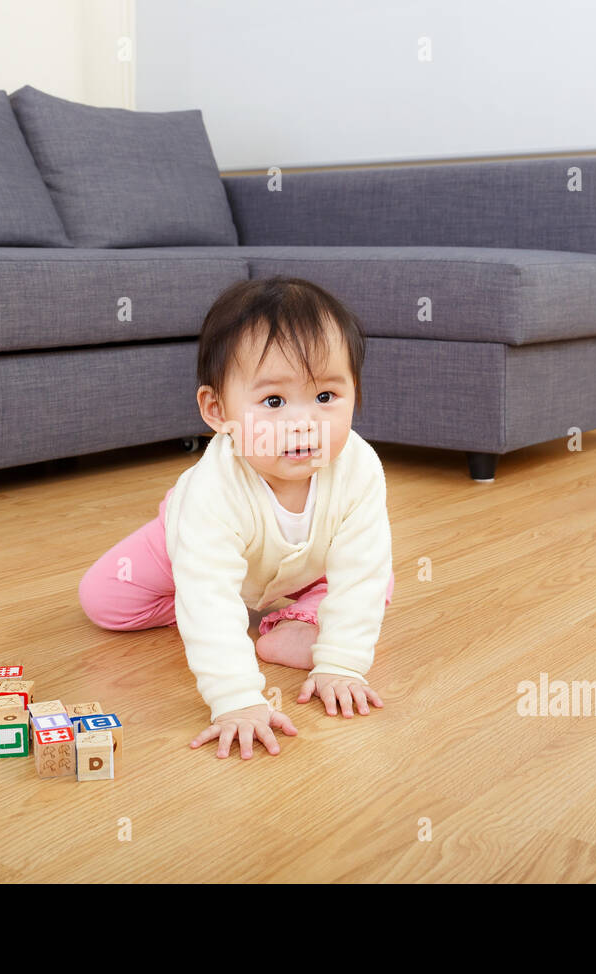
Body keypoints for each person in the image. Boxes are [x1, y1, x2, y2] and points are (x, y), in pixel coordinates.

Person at [79, 276, 394, 759]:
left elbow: (362, 570)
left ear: (356, 392)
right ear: (217, 410)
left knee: (377, 578)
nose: (303, 424)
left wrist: (343, 665)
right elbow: (207, 593)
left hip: (301, 567)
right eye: (274, 402)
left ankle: (299, 618)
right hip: (189, 548)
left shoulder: (359, 467)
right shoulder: (212, 491)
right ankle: (220, 611)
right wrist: (237, 700)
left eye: (326, 397)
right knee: (104, 598)